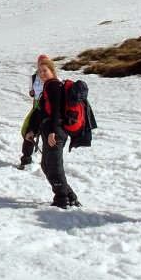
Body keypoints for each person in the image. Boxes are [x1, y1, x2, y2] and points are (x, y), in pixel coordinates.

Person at [37, 55, 80, 208]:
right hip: (52, 130)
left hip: (56, 131)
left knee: (53, 165)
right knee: (46, 165)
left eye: (45, 70)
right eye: (39, 71)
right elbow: (42, 112)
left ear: (52, 70)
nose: (42, 74)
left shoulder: (53, 85)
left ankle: (62, 198)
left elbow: (56, 111)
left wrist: (53, 131)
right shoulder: (48, 85)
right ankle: (69, 195)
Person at [17, 57, 46, 170]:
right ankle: (26, 160)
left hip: (49, 110)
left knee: (47, 135)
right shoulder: (33, 77)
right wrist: (33, 92)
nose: (41, 67)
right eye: (40, 64)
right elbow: (32, 93)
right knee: (28, 132)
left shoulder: (55, 78)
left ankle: (48, 162)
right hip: (36, 108)